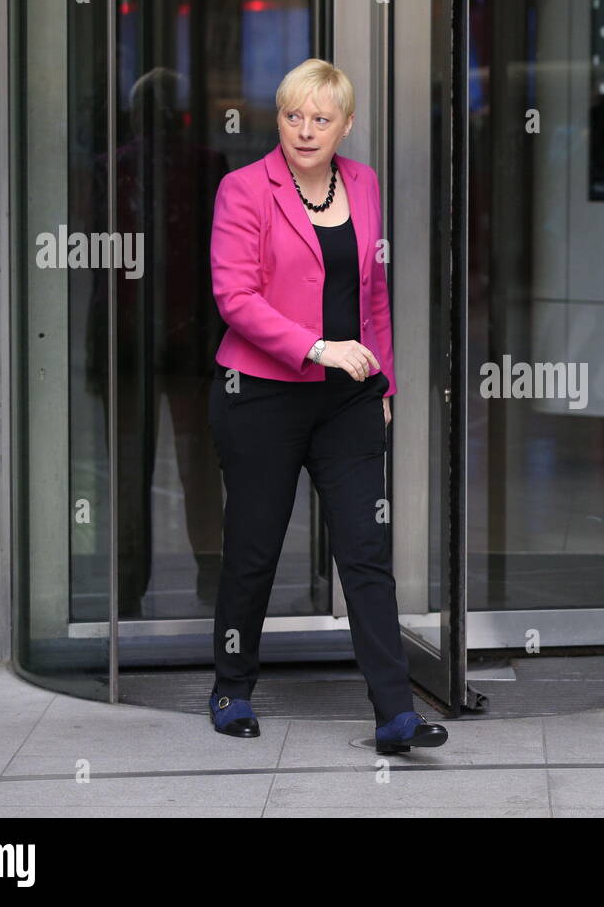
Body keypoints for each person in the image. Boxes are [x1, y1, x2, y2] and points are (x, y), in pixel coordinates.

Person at [205, 58, 447, 755]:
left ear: (346, 124)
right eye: (291, 115)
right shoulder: (243, 190)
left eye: (320, 118)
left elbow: (373, 296)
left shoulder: (363, 183)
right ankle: (231, 687)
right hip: (259, 397)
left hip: (348, 401)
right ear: (277, 118)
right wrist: (316, 347)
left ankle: (395, 713)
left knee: (365, 552)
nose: (304, 130)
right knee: (253, 552)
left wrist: (386, 387)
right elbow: (236, 299)